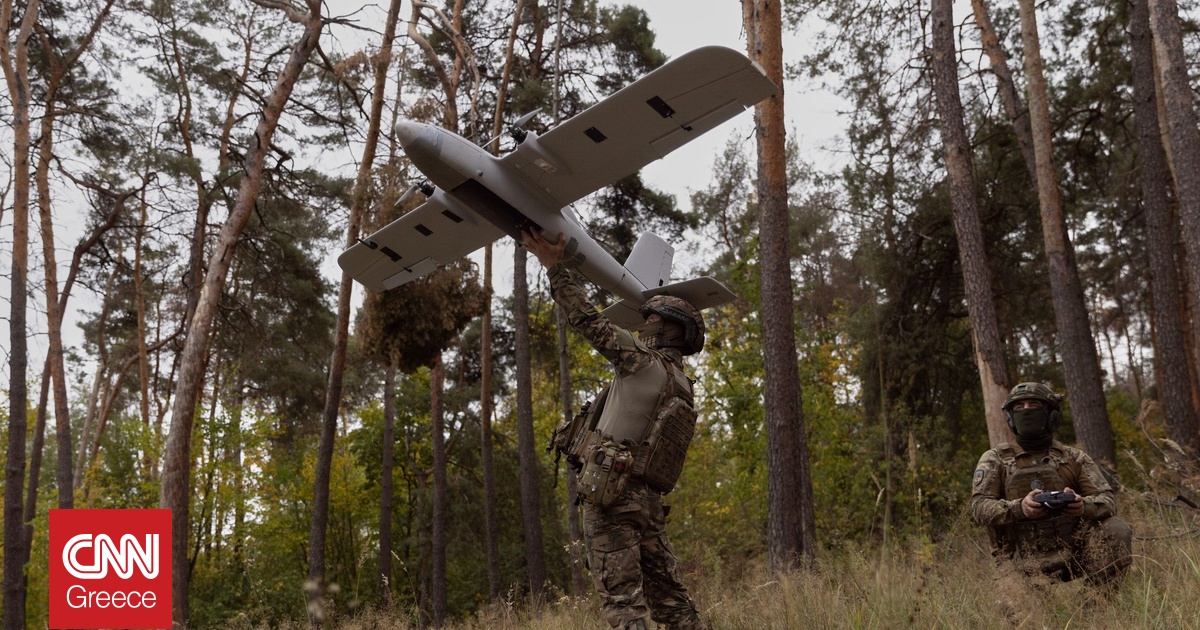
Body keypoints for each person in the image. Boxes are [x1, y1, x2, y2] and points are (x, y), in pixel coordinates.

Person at [524, 227, 706, 630]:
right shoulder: (682, 384)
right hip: (648, 504)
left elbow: (588, 321)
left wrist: (555, 268)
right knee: (673, 601)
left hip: (612, 497)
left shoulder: (642, 362)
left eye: (652, 317)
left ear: (667, 328)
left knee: (622, 603)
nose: (644, 322)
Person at [970, 382, 1132, 588]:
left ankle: (1092, 608)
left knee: (1117, 530)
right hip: (1019, 561)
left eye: (1034, 404)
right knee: (1022, 618)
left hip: (1074, 552)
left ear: (1051, 414)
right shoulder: (995, 459)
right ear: (1010, 417)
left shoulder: (1073, 458)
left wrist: (1083, 505)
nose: (1026, 410)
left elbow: (1108, 501)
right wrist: (1020, 508)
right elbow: (978, 507)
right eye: (1019, 407)